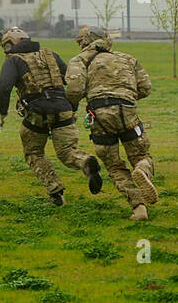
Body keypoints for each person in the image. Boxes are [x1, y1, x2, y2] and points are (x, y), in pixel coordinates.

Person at [0, 26, 102, 206]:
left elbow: (3, 87)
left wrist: (0, 116)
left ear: (9, 45)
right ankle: (85, 161)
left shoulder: (13, 61)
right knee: (67, 152)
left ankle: (56, 193)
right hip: (63, 109)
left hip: (37, 113)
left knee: (34, 153)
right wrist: (72, 107)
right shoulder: (51, 55)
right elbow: (72, 81)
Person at [65, 25, 157, 220]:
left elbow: (74, 89)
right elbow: (146, 87)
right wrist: (125, 97)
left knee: (114, 165)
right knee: (141, 154)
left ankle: (139, 208)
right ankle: (142, 169)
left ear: (84, 42)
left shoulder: (80, 60)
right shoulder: (127, 58)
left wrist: (74, 105)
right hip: (127, 111)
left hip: (99, 115)